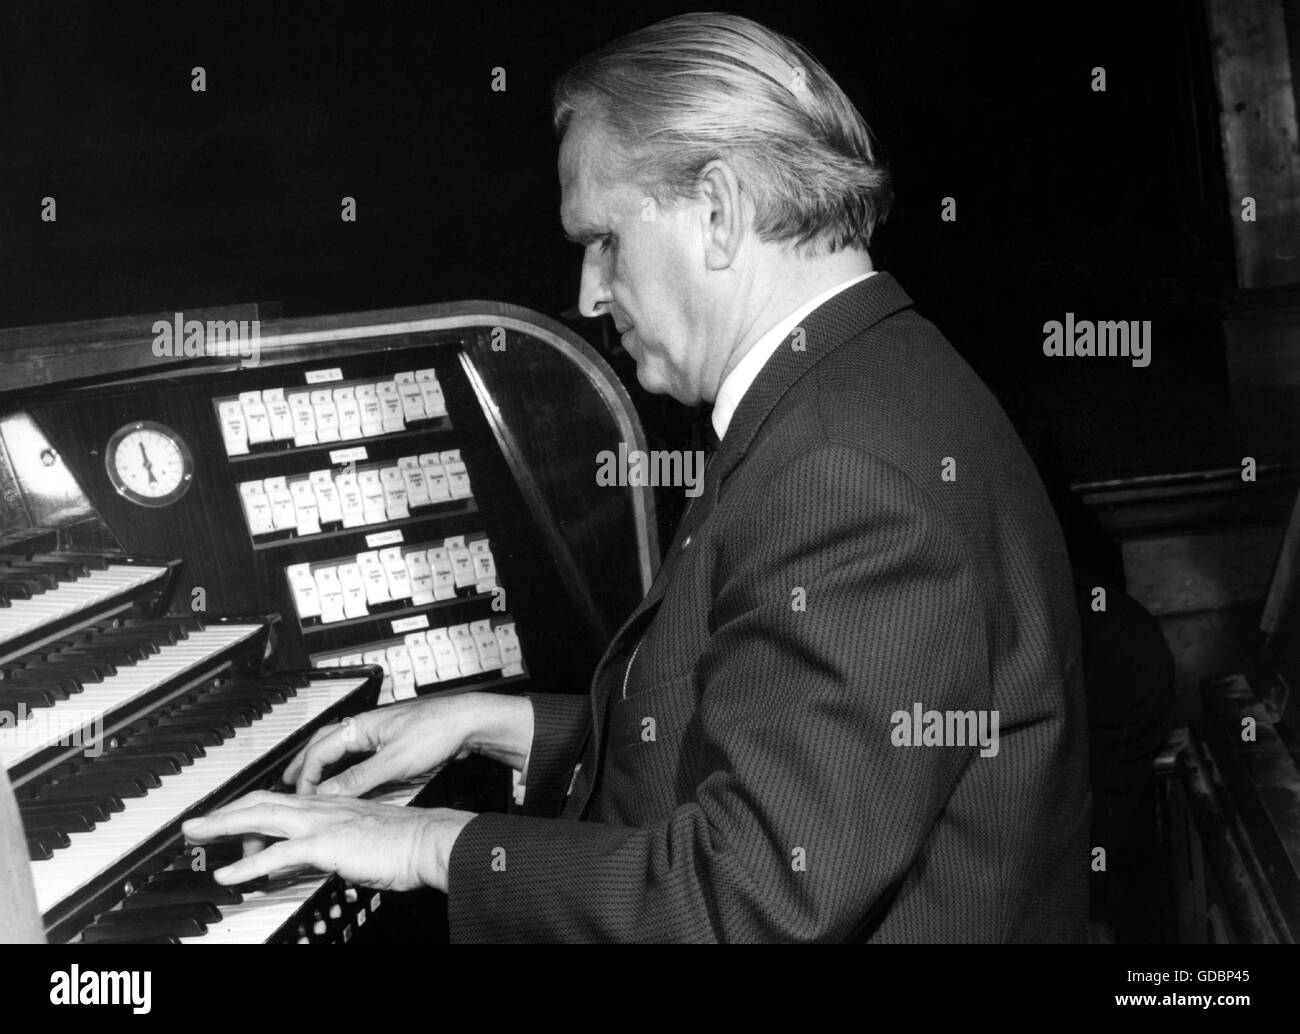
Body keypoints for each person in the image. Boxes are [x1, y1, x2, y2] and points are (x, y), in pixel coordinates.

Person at [184, 12, 1090, 942]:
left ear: (719, 210)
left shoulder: (843, 475)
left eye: (604, 239)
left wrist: (431, 843)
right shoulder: (861, 381)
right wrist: (508, 725)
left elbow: (749, 903)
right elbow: (769, 734)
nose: (587, 293)